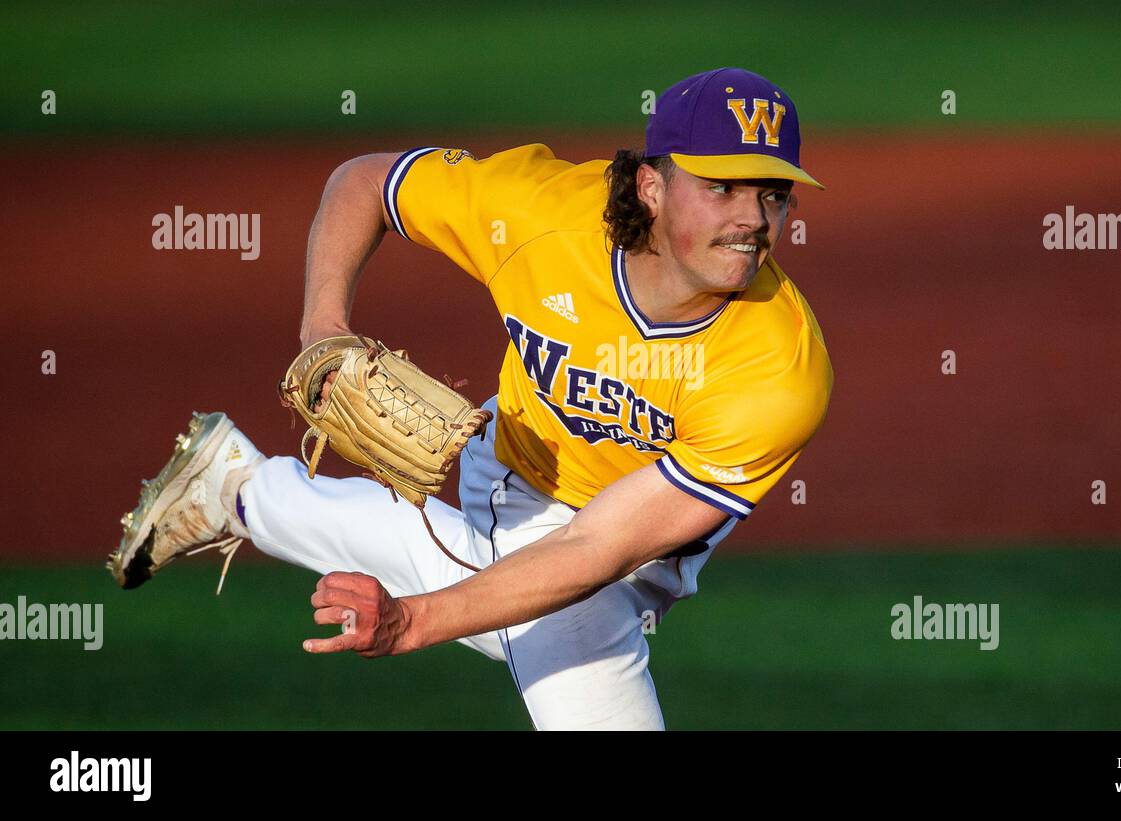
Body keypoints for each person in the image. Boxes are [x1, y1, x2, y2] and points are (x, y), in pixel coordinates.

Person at [110, 67, 833, 730]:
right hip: (526, 484)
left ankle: (238, 486)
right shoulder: (536, 212)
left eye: (771, 193)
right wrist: (321, 329)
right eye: (722, 187)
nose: (752, 218)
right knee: (572, 631)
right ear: (651, 185)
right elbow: (365, 184)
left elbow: (604, 542)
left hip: (631, 536)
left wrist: (416, 619)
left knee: (509, 601)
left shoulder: (781, 370)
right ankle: (245, 491)